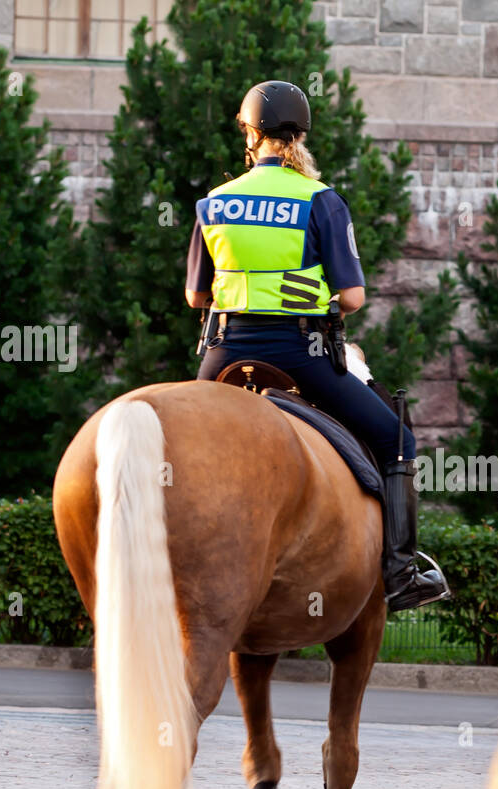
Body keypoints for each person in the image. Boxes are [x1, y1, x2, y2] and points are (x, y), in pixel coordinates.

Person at [186, 79, 448, 613]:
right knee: (396, 439)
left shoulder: (214, 202)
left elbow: (195, 295)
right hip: (298, 354)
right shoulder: (320, 200)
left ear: (249, 134)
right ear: (299, 137)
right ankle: (400, 573)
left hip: (225, 352)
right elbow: (351, 296)